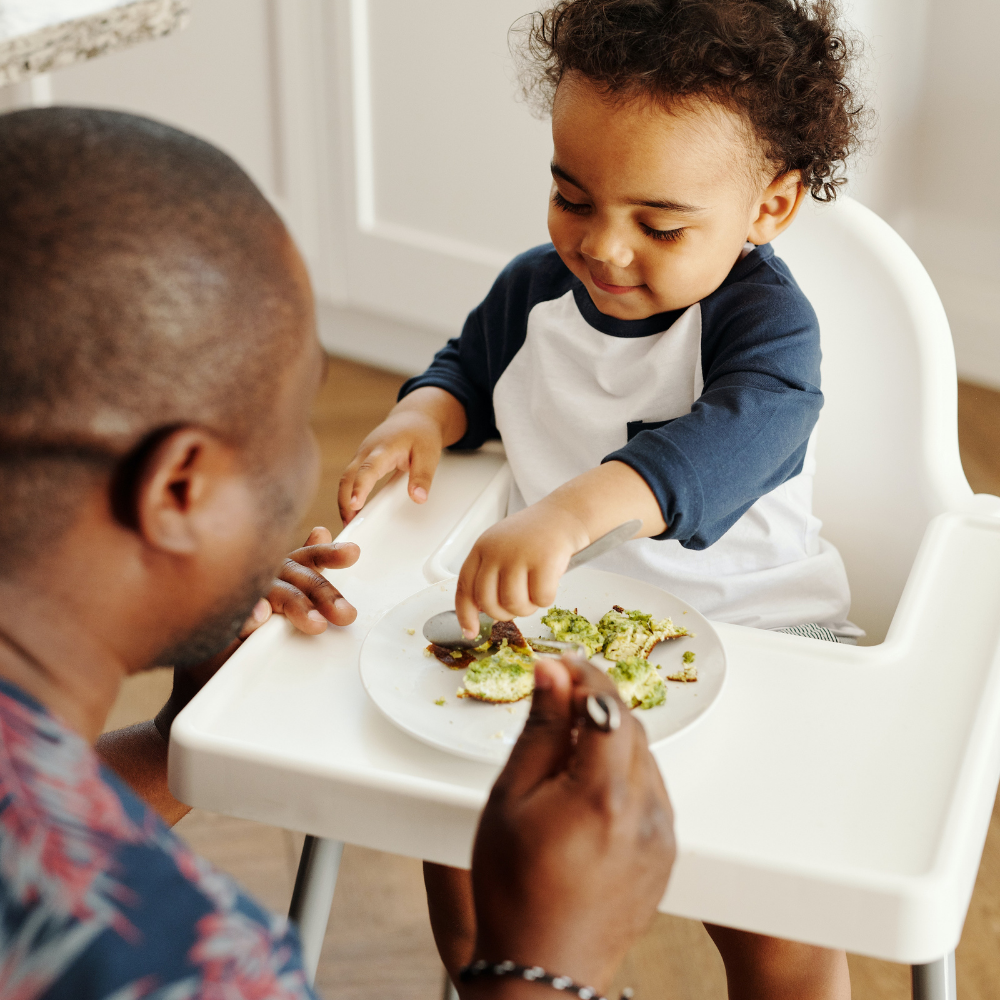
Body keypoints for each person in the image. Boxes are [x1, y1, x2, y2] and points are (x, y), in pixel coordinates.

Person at [0, 105, 674, 1000]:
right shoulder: (186, 962)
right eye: (294, 424)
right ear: (178, 491)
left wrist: (178, 737)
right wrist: (543, 967)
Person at [339, 1, 864, 996]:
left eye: (658, 223)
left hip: (764, 638)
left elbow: (741, 433)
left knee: (777, 919)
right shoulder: (533, 290)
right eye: (571, 197)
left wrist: (576, 508)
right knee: (458, 848)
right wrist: (423, 415)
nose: (603, 248)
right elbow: (467, 368)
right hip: (558, 640)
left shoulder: (767, 325)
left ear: (770, 207)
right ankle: (515, 975)